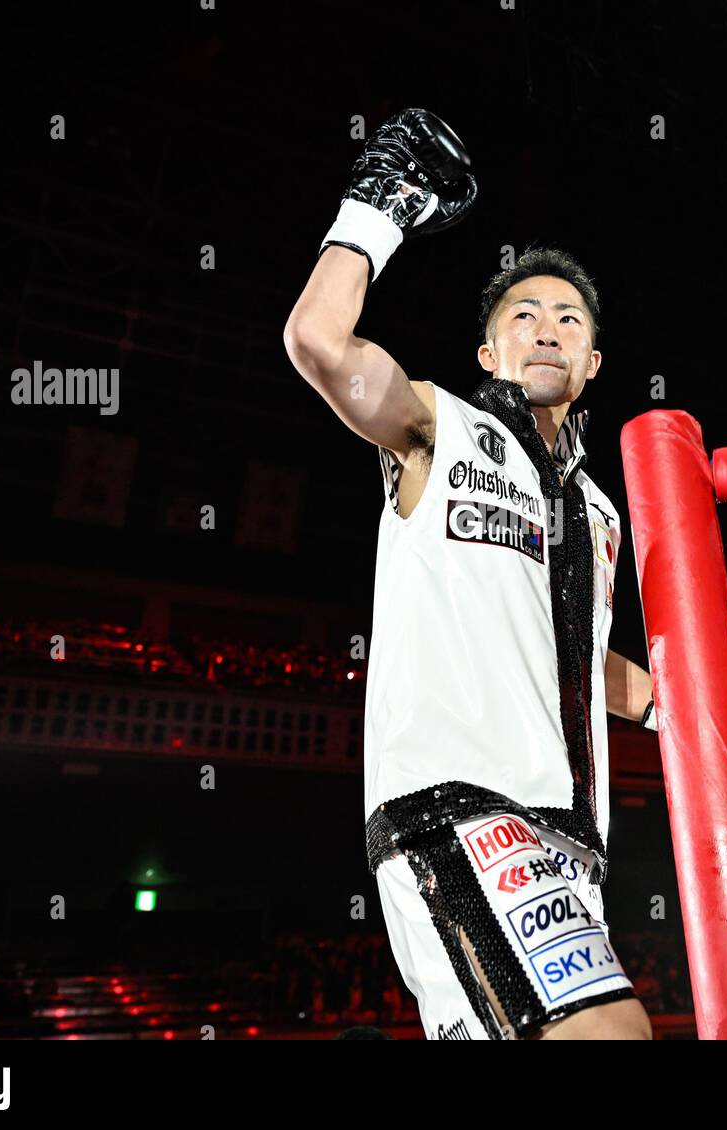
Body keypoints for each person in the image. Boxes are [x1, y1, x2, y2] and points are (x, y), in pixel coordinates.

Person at [283, 109, 655, 1040]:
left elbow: (581, 662)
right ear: (488, 353)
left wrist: (703, 703)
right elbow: (320, 345)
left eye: (567, 317)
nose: (545, 327)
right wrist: (377, 211)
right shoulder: (440, 430)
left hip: (573, 843)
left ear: (593, 362)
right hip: (457, 812)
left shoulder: (602, 513)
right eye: (520, 314)